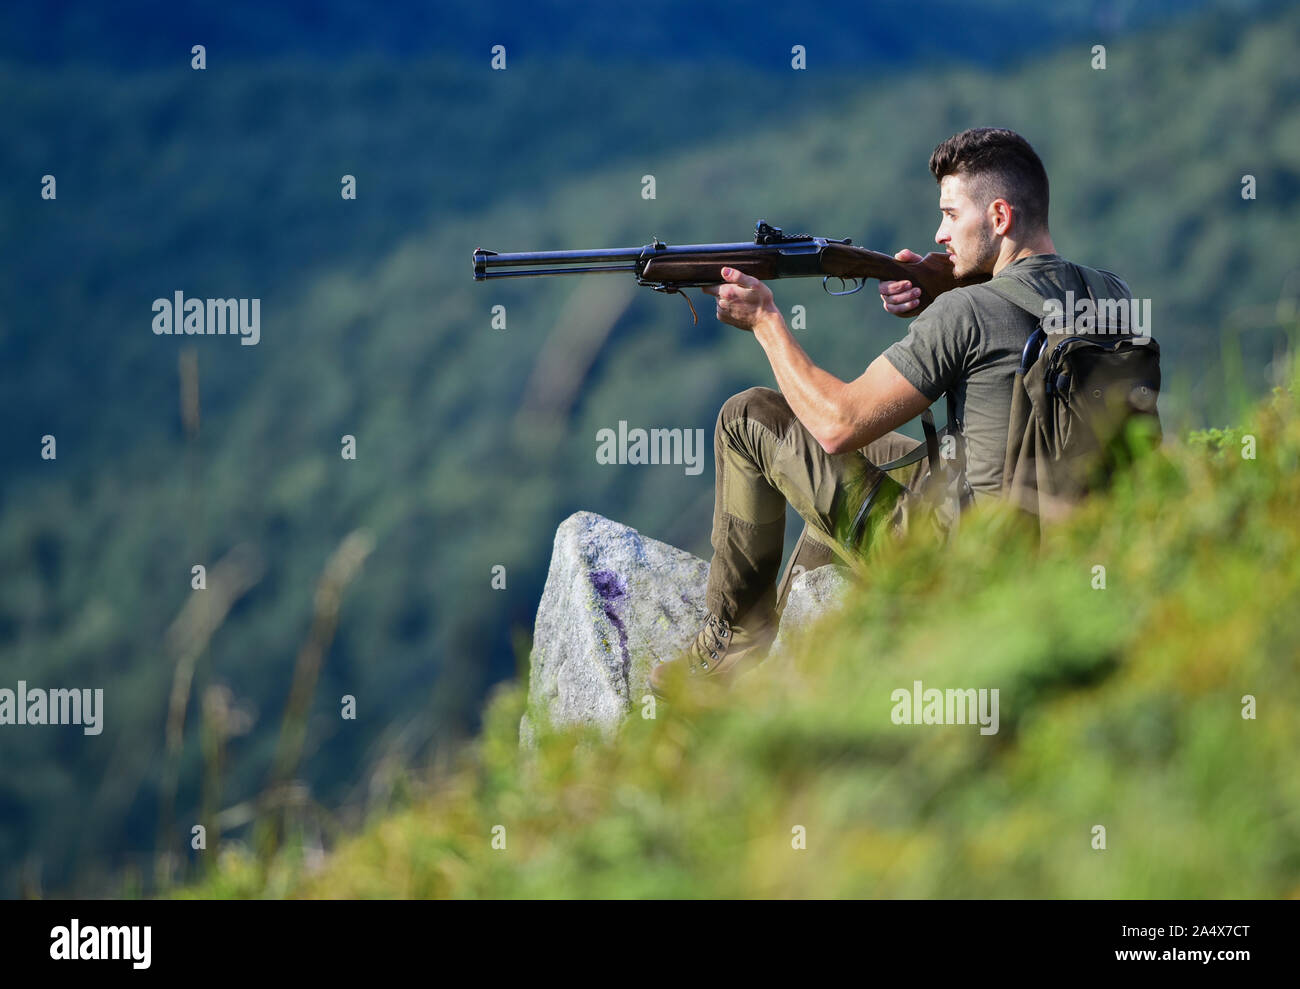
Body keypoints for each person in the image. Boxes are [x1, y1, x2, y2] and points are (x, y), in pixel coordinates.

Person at [649, 127, 1134, 696]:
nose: (939, 233)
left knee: (749, 417)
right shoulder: (1113, 294)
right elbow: (1014, 336)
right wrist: (944, 292)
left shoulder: (968, 313)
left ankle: (729, 654)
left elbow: (836, 425)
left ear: (999, 216)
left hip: (963, 568)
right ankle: (816, 636)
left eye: (951, 215)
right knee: (854, 463)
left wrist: (765, 323)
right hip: (1070, 543)